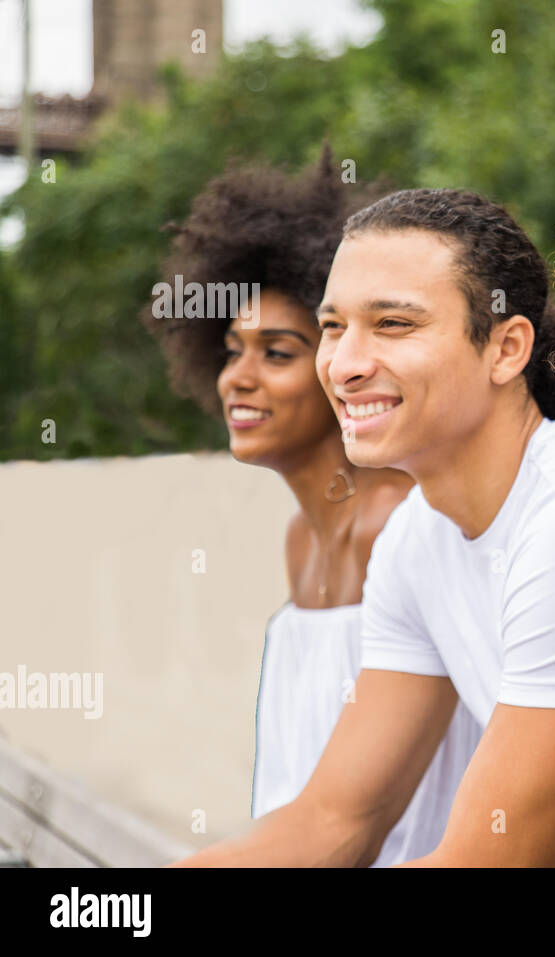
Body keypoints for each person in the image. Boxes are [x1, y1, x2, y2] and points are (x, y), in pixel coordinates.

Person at [175, 186, 555, 868]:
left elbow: (488, 859)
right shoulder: (416, 537)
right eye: (333, 327)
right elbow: (335, 819)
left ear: (506, 349)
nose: (346, 364)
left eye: (393, 324)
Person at [145, 151, 481, 866]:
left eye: (278, 351)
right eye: (233, 348)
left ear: (342, 370)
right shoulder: (303, 539)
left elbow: (347, 823)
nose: (239, 375)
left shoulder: (400, 523)